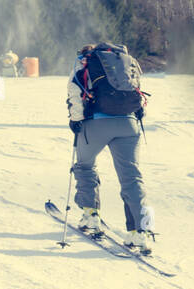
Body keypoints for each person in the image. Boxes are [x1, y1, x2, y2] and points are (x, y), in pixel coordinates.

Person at [66, 42, 154, 251]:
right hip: (128, 124)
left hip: (96, 123)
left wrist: (76, 120)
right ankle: (140, 231)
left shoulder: (85, 62)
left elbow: (74, 90)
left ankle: (90, 215)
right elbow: (136, 91)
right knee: (132, 177)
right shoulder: (127, 62)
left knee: (85, 166)